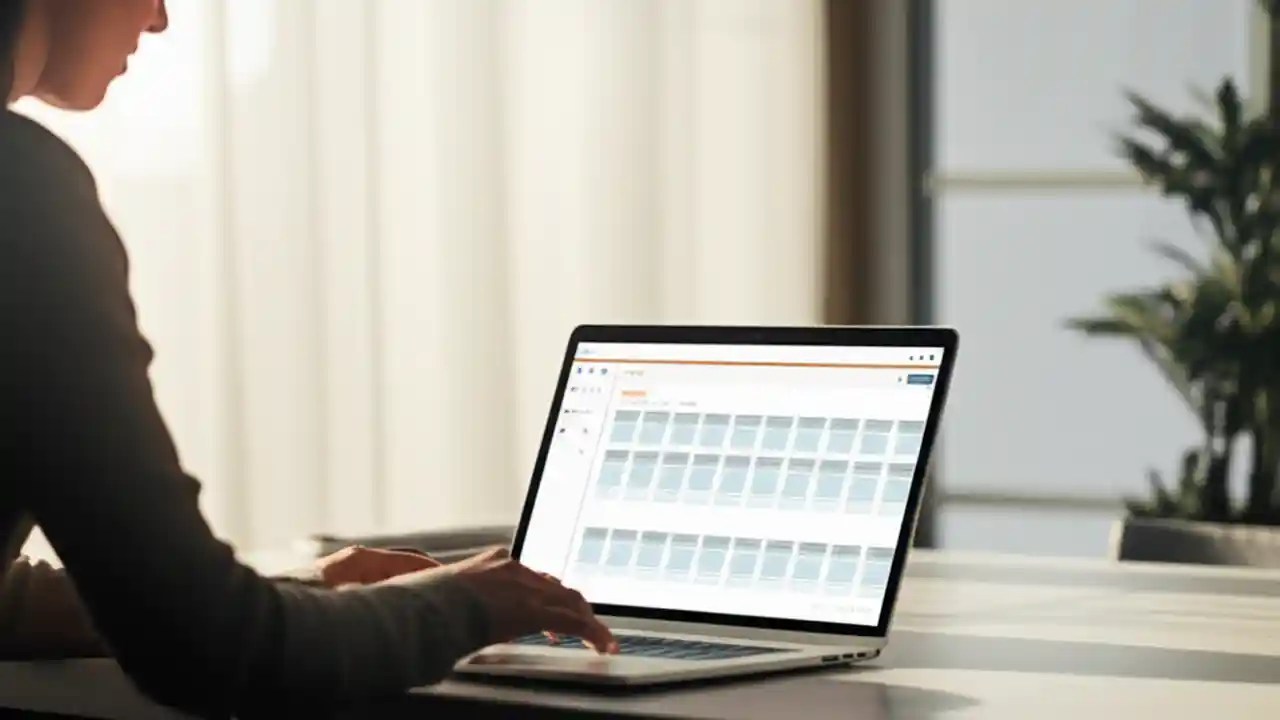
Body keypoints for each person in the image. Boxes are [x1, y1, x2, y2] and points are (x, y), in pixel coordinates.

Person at [0, 0, 614, 714]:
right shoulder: (23, 193)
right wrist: (469, 603)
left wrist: (304, 587)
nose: (161, 17)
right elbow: (208, 647)